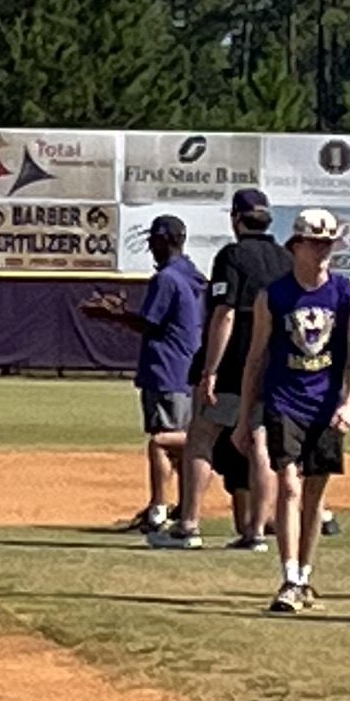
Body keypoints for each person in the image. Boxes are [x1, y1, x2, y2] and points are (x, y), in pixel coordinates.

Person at [234, 209, 350, 615]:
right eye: (315, 242)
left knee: (315, 495)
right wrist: (243, 418)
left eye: (328, 243)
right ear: (297, 246)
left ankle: (305, 573)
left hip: (325, 405)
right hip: (284, 400)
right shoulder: (273, 295)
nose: (323, 250)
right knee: (288, 485)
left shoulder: (347, 293)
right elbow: (256, 358)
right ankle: (289, 576)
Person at [79, 215, 206, 543]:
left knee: (165, 440)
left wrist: (111, 315)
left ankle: (159, 510)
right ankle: (178, 508)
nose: (150, 244)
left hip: (166, 368)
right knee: (176, 442)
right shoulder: (191, 273)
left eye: (154, 239)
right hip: (187, 368)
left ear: (166, 240)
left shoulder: (166, 278)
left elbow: (150, 323)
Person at [188, 188, 291, 552]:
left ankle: (189, 526)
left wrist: (210, 370)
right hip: (274, 361)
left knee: (202, 436)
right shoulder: (284, 258)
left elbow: (225, 312)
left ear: (236, 219)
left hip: (235, 361)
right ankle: (256, 532)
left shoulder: (232, 255)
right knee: (260, 441)